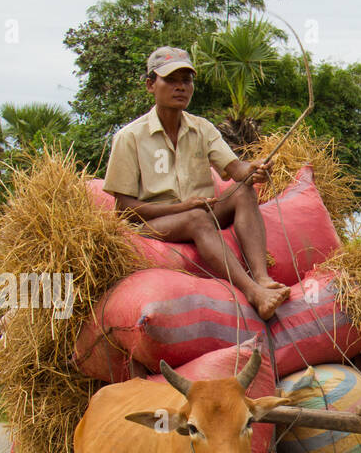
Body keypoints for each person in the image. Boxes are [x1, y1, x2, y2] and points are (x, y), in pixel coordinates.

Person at [103, 46, 290, 319]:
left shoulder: (202, 128)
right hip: (154, 223)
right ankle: (252, 291)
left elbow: (235, 169)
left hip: (201, 209)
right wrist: (182, 208)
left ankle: (261, 277)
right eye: (171, 80)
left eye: (186, 80)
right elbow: (124, 209)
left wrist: (254, 169)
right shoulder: (130, 137)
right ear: (150, 85)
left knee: (243, 191)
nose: (181, 87)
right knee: (196, 218)